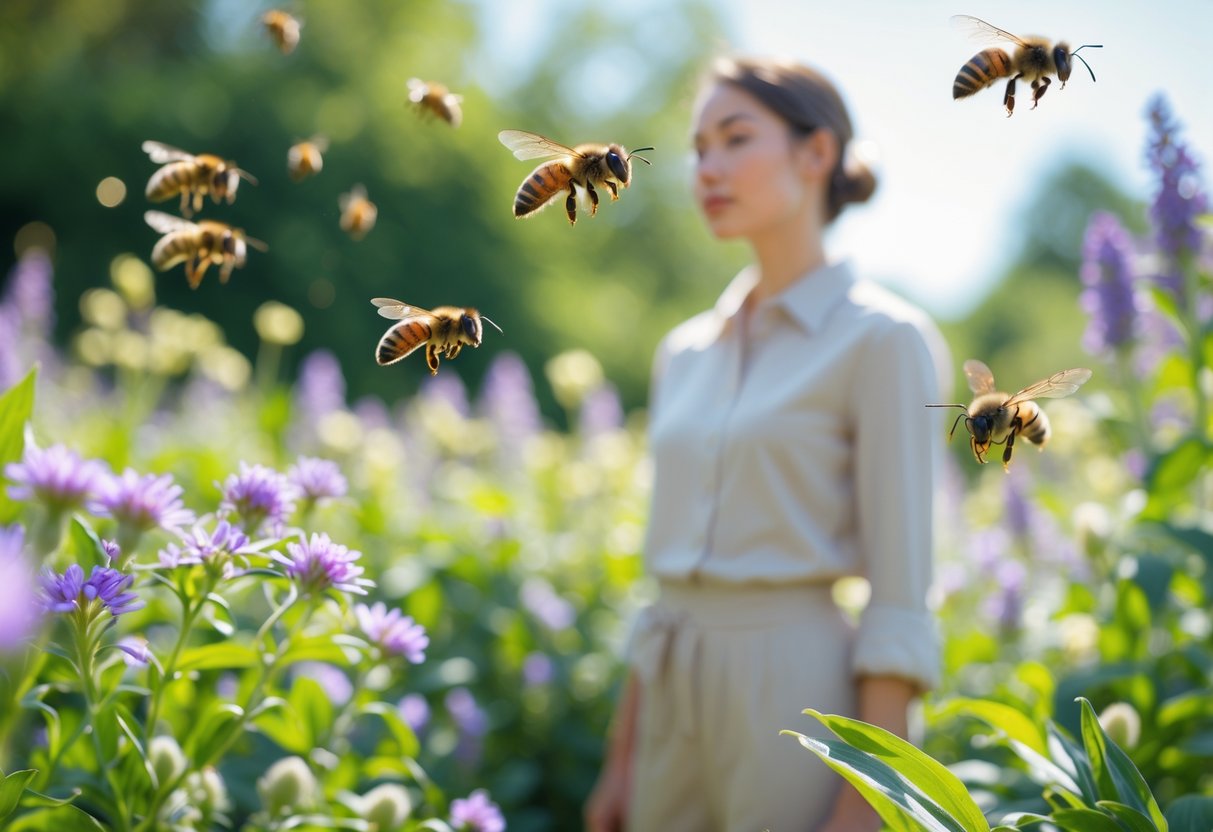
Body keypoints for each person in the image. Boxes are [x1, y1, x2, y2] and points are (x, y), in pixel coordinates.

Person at [584, 56, 951, 832]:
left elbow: (899, 603)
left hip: (793, 691)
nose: (707, 168)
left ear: (815, 154)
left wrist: (869, 799)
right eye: (698, 149)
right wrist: (620, 766)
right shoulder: (683, 351)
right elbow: (661, 591)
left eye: (734, 139)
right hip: (667, 694)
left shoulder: (883, 339)